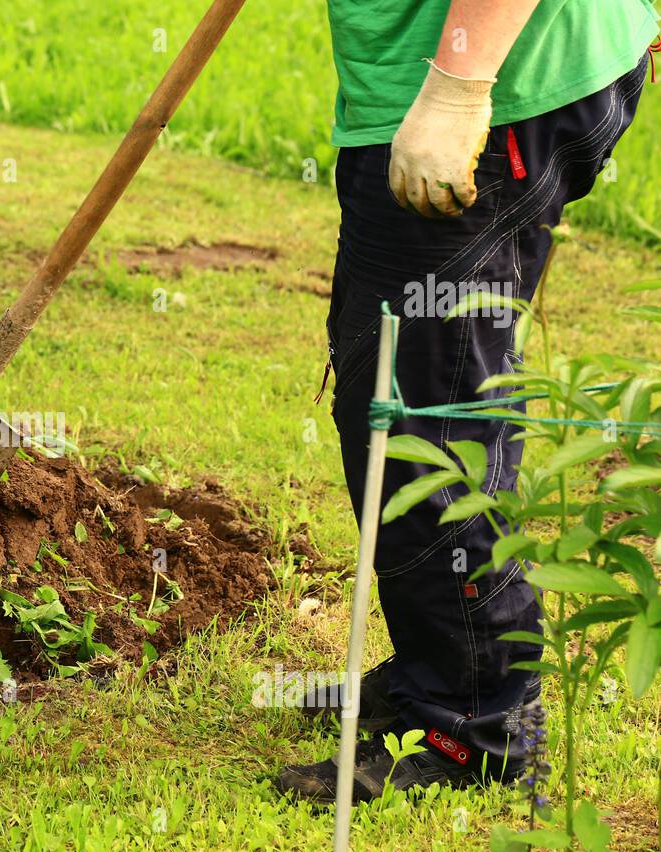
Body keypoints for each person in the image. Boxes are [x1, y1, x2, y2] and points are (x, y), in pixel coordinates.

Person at [275, 0, 660, 803]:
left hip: (488, 83)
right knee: (405, 382)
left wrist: (458, 83)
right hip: (458, 70)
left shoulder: (466, 87)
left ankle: (473, 721)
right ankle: (443, 669)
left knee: (422, 416)